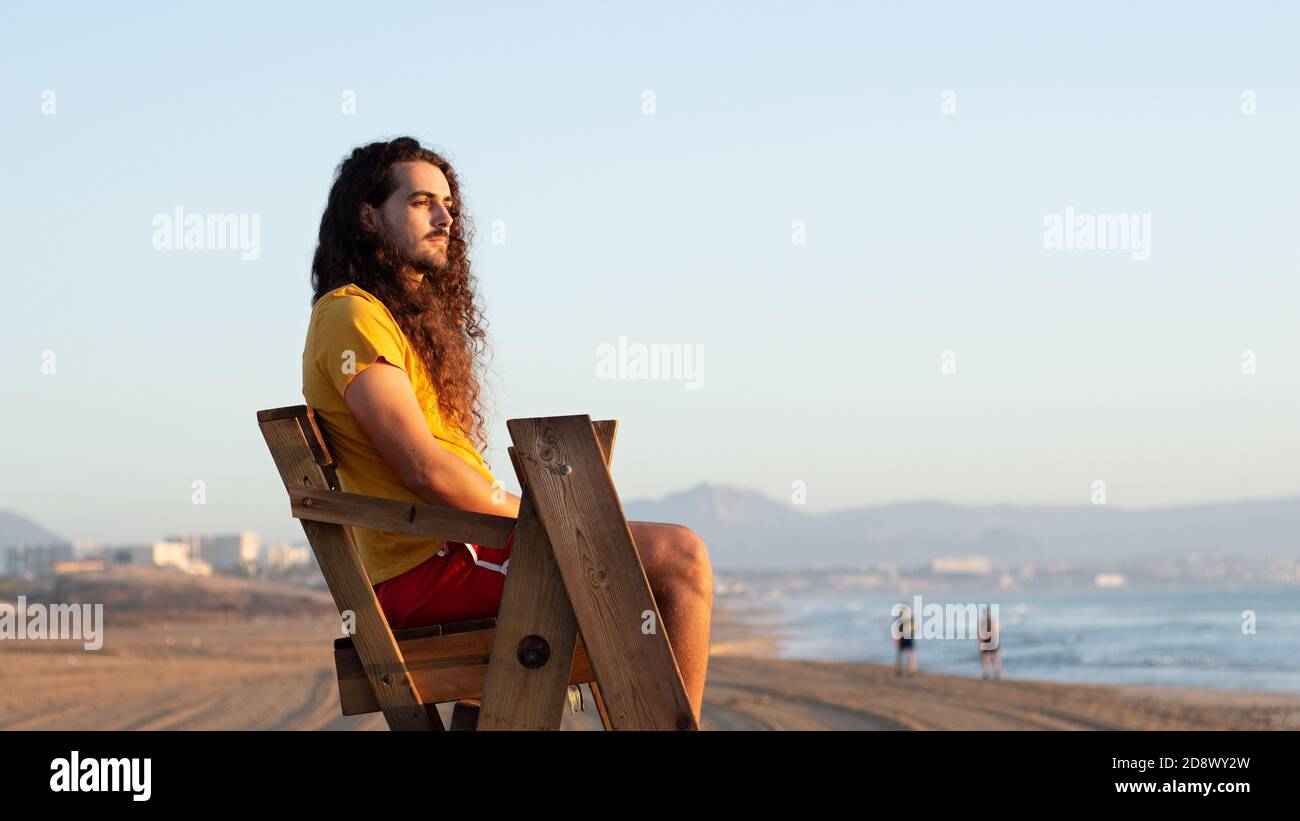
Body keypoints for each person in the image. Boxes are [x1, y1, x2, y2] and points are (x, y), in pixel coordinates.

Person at [301, 137, 714, 721]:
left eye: (448, 205)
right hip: (434, 566)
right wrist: (543, 520)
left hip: (458, 552)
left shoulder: (390, 321)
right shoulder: (351, 313)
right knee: (678, 559)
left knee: (656, 559)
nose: (445, 218)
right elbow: (421, 466)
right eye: (422, 202)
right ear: (368, 216)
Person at [977, 604, 1001, 679]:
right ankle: (995, 672)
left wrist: (979, 642)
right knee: (993, 657)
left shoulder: (984, 622)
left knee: (987, 657)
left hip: (988, 641)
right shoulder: (991, 621)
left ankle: (988, 673)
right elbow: (997, 631)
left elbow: (979, 634)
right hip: (992, 641)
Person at [893, 604, 918, 676]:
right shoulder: (907, 617)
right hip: (905, 636)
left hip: (907, 636)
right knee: (907, 653)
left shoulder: (905, 617)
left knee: (908, 653)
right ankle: (906, 669)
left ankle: (910, 669)